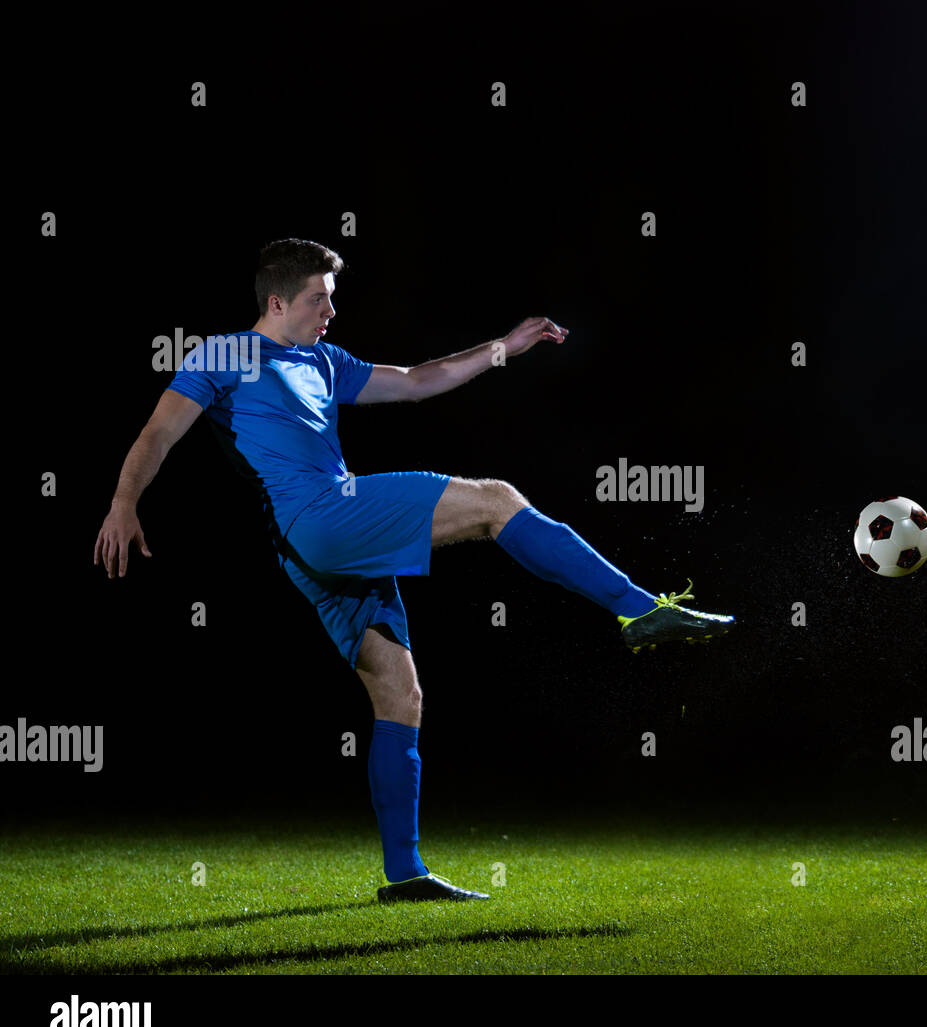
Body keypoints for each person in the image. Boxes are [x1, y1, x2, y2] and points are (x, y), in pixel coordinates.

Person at [93, 238, 734, 903]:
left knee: (400, 694)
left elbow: (419, 380)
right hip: (320, 518)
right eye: (319, 299)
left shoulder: (323, 359)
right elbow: (158, 432)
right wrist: (122, 501)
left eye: (333, 299)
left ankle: (404, 874)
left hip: (310, 551)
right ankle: (637, 607)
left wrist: (502, 348)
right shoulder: (223, 354)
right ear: (277, 301)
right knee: (497, 500)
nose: (331, 312)